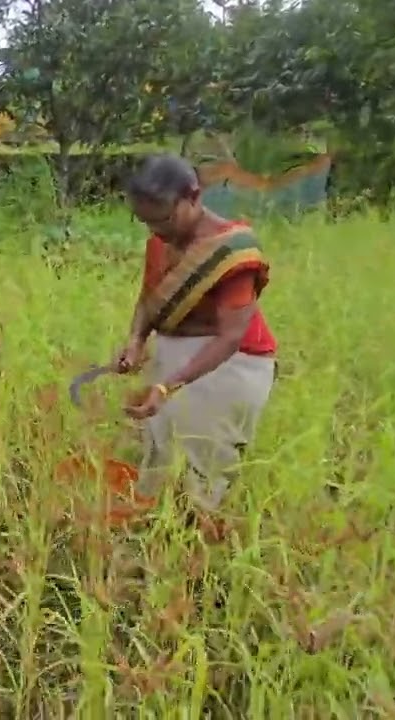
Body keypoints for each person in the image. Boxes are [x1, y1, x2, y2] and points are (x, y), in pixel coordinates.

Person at [113, 154, 277, 528]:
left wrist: (168, 385)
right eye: (147, 221)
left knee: (202, 465)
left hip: (229, 366)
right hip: (177, 359)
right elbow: (149, 298)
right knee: (160, 451)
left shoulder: (232, 254)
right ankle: (156, 542)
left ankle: (194, 558)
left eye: (164, 218)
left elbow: (230, 336)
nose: (157, 229)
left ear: (194, 197)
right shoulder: (161, 240)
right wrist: (136, 340)